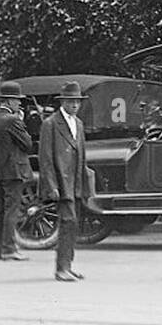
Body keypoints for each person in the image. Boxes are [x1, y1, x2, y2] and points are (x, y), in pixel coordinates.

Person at [39, 82, 94, 281]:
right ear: (62, 101)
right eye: (71, 101)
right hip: (61, 183)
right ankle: (61, 268)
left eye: (77, 102)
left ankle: (67, 265)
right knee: (68, 222)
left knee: (73, 224)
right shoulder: (50, 124)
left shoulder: (78, 123)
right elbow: (45, 158)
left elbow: (82, 155)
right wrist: (51, 185)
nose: (74, 105)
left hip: (76, 182)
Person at [0, 82, 34, 262]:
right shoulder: (12, 120)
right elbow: (27, 144)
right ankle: (9, 249)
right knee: (12, 211)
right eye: (18, 100)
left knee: (0, 211)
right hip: (14, 170)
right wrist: (21, 120)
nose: (20, 104)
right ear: (10, 101)